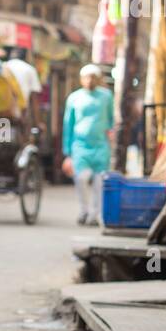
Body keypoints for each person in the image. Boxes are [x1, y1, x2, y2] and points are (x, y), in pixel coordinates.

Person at [62, 64, 115, 226]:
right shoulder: (74, 98)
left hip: (101, 146)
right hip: (80, 146)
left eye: (93, 77)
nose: (90, 80)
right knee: (81, 178)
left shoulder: (106, 96)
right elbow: (68, 124)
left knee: (99, 182)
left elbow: (111, 120)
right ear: (81, 79)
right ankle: (83, 210)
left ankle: (94, 214)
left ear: (98, 79)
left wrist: (111, 140)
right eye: (86, 77)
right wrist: (67, 151)